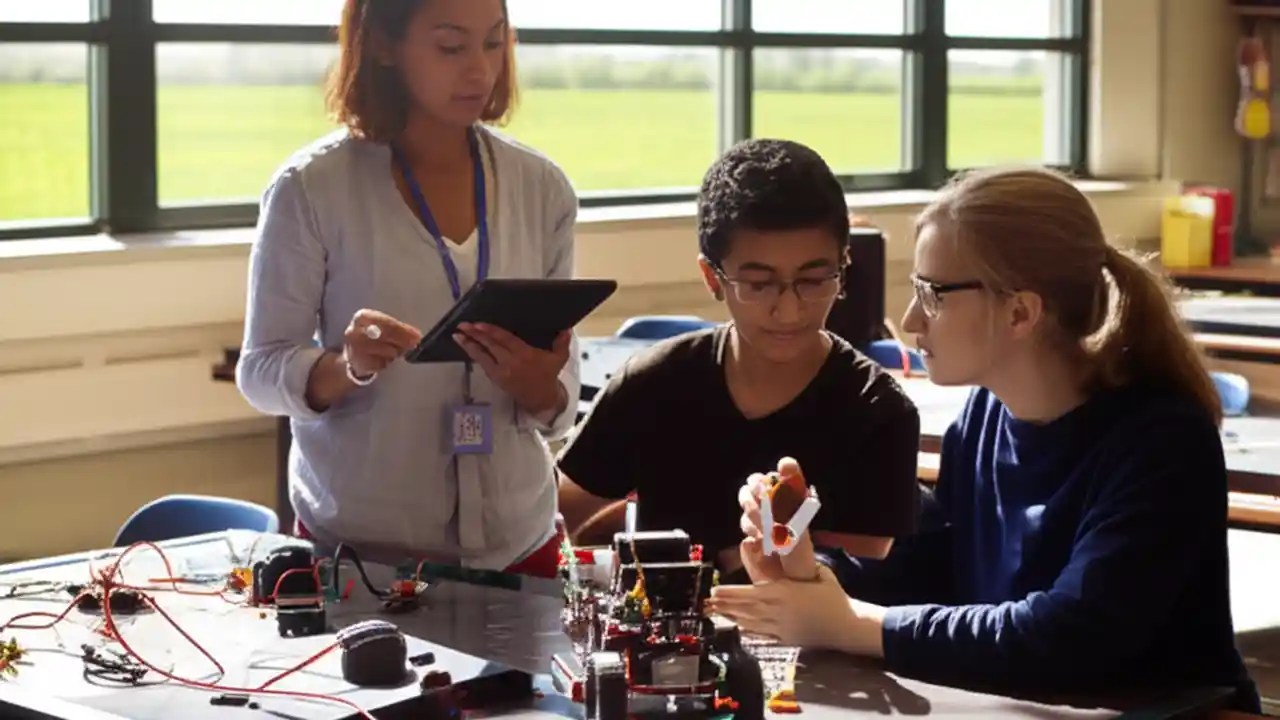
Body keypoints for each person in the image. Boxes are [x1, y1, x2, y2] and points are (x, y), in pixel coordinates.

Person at [710, 166, 1261, 711]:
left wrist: (852, 624)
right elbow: (935, 573)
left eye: (933, 294)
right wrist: (809, 574)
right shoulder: (984, 414)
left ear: (1020, 311)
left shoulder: (1162, 442)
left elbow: (1072, 638)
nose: (909, 320)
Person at [235, 0, 579, 578]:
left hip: (520, 546)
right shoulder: (312, 189)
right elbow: (261, 370)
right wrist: (348, 366)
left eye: (494, 43)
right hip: (364, 558)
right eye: (451, 47)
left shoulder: (542, 189)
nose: (479, 70)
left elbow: (560, 394)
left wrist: (542, 387)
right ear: (385, 46)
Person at [556, 138, 921, 583]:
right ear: (713, 277)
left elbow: (860, 577)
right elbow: (565, 519)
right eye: (758, 284)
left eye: (813, 279)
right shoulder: (653, 383)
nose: (789, 310)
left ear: (843, 268)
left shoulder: (877, 412)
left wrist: (748, 557)